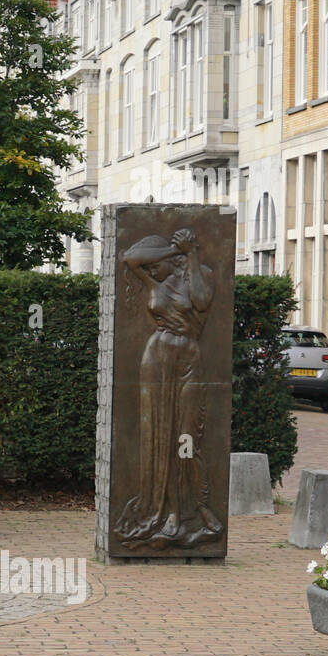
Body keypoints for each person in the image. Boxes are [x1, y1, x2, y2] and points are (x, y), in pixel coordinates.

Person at [116, 227, 223, 550]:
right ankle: (172, 512)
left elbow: (202, 302)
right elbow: (129, 258)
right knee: (160, 438)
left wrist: (189, 254)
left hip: (188, 359)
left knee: (187, 437)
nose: (151, 269)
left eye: (157, 264)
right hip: (156, 358)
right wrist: (169, 252)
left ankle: (199, 505)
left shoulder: (201, 275)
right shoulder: (155, 281)